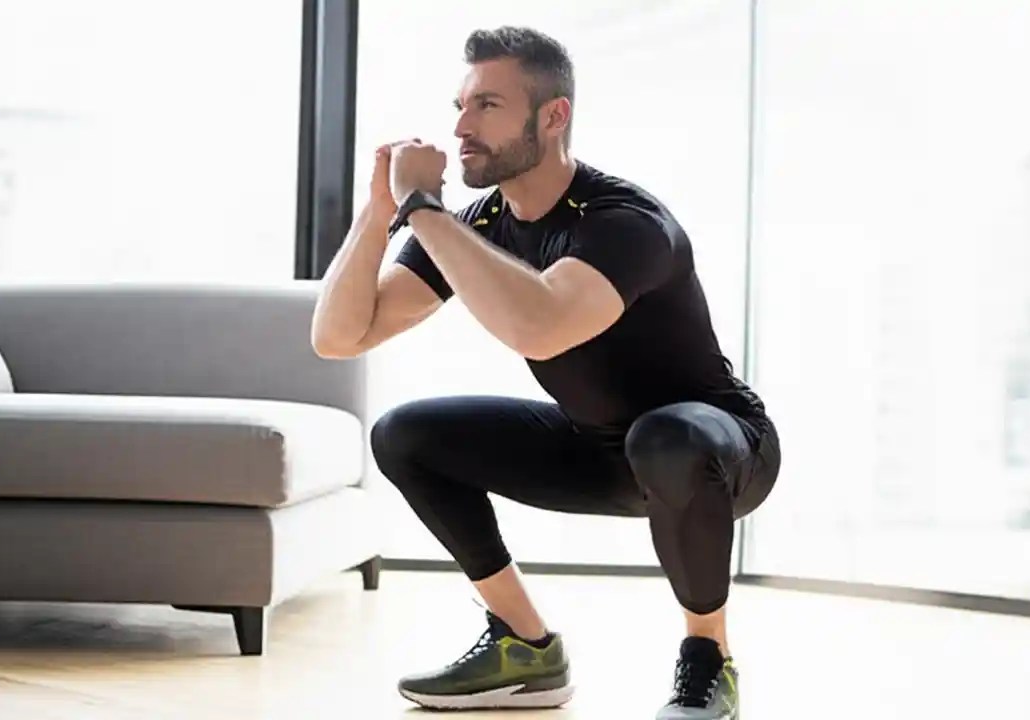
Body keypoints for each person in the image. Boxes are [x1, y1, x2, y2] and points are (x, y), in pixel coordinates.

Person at [311, 25, 780, 720]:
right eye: (461, 105)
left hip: (719, 450)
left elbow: (541, 322)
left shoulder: (623, 221)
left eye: (487, 106)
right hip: (599, 450)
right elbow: (340, 336)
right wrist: (380, 216)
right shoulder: (480, 221)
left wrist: (426, 211)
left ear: (552, 116)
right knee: (405, 435)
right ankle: (524, 647)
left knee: (666, 437)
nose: (461, 127)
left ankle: (709, 662)